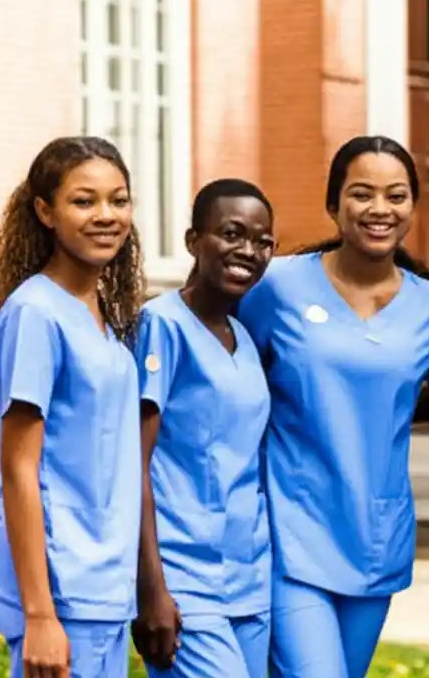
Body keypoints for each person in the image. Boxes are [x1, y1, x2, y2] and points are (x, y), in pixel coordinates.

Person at [237, 137, 429, 678]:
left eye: (396, 195)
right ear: (333, 205)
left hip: (376, 540)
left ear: (412, 206)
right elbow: (234, 380)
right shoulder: (279, 287)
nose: (379, 209)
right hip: (291, 533)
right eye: (362, 194)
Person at [0, 136, 144, 678]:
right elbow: (18, 466)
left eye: (118, 200)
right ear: (45, 212)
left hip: (102, 587)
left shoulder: (98, 313)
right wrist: (40, 614)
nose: (106, 215)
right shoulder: (36, 314)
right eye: (84, 201)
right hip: (62, 592)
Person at [131, 179, 277, 677]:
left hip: (250, 579)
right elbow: (133, 465)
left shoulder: (244, 337)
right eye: (231, 234)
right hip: (184, 579)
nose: (248, 251)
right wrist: (151, 588)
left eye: (262, 242)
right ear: (194, 241)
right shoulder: (162, 325)